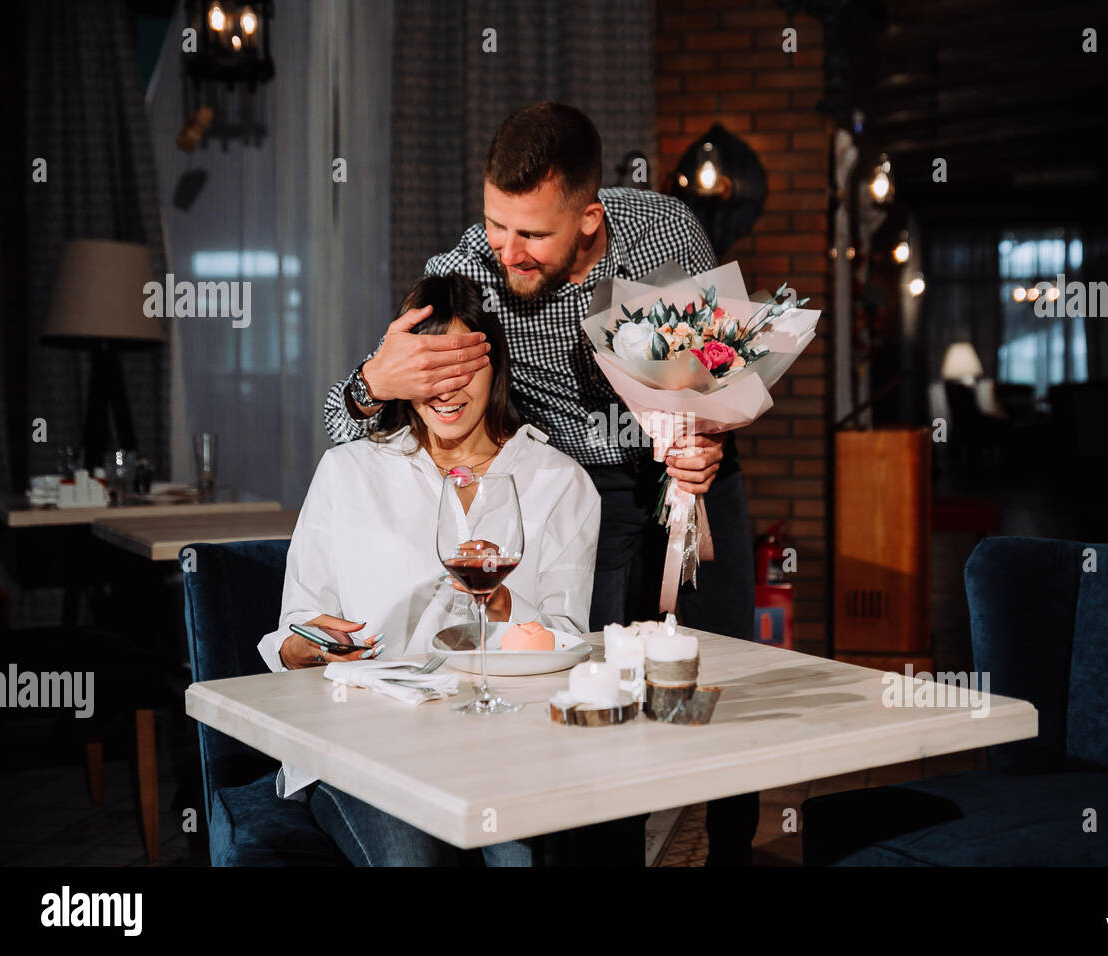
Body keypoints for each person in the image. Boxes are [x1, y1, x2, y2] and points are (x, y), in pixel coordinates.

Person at [322, 101, 759, 866]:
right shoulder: (466, 272)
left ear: (589, 218)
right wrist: (370, 380)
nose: (508, 250)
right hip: (582, 494)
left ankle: (731, 850)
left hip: (694, 480)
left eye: (532, 234)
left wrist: (711, 438)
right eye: (496, 223)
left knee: (718, 680)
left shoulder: (666, 232)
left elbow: (723, 377)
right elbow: (346, 429)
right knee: (594, 692)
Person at [259, 272, 601, 866]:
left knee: (516, 859)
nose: (445, 388)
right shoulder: (349, 471)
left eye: (462, 365)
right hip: (363, 742)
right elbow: (292, 633)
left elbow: (569, 639)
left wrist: (502, 606)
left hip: (504, 743)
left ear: (497, 366)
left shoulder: (558, 482)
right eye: (427, 368)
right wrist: (312, 648)